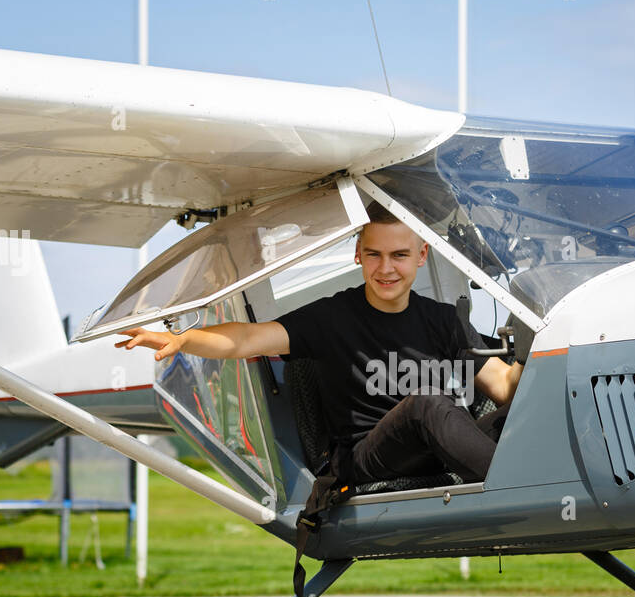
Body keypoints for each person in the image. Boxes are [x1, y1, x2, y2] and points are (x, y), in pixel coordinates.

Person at [115, 202, 523, 487]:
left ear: (421, 256)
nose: (386, 268)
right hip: (366, 456)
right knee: (430, 403)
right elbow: (247, 339)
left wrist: (549, 341)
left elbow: (504, 386)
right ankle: (516, 486)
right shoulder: (332, 317)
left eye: (399, 255)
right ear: (358, 256)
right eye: (374, 254)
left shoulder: (443, 319)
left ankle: (530, 479)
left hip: (437, 445)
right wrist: (183, 337)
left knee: (512, 416)